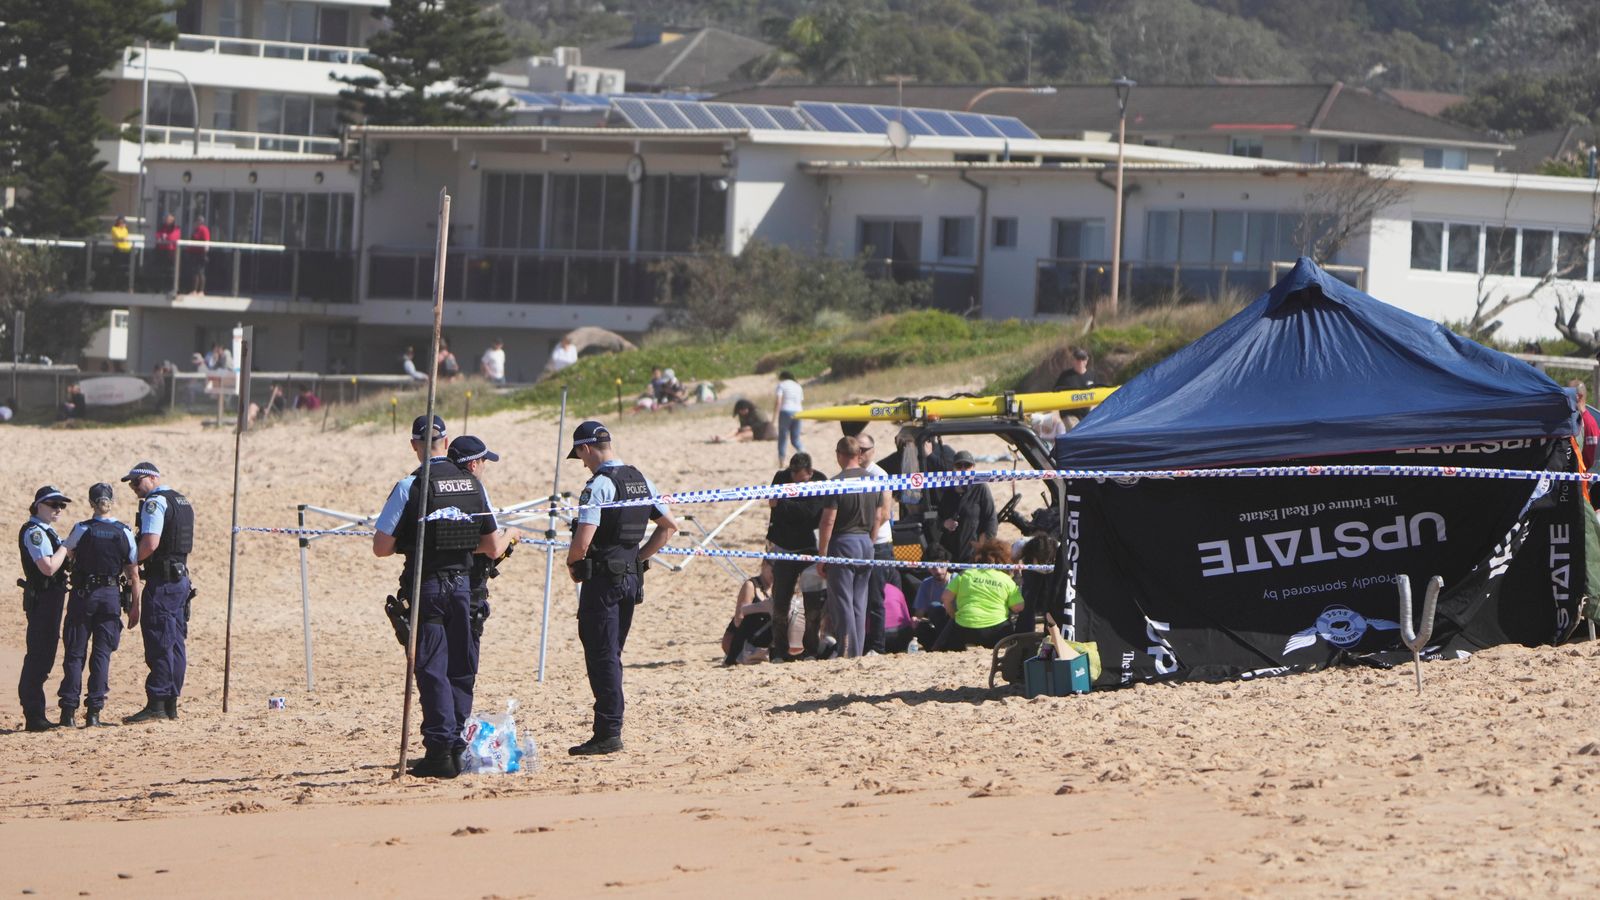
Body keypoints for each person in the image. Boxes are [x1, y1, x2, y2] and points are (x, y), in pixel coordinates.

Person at [373, 416, 506, 778]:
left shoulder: (410, 486)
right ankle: (458, 746)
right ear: (446, 443)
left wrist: (417, 542)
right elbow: (493, 547)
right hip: (463, 585)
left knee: (432, 670)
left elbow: (381, 547)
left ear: (414, 445)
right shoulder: (472, 483)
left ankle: (439, 751)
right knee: (460, 669)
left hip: (427, 584)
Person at [565, 420, 678, 755]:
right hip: (630, 579)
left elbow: (582, 540)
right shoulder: (640, 479)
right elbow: (668, 527)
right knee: (611, 653)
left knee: (601, 655)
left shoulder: (599, 485)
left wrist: (573, 565)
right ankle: (609, 727)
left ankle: (608, 731)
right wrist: (639, 558)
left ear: (586, 449)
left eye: (581, 456)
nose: (582, 463)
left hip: (603, 580)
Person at [58, 483, 140, 728]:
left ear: (91, 502)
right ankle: (94, 713)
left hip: (83, 596)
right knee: (102, 654)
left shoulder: (82, 529)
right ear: (111, 501)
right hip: (110, 597)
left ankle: (68, 713)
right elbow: (133, 574)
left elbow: (68, 554)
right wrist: (136, 606)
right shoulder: (123, 531)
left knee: (74, 654)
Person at [120, 461, 195, 724]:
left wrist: (131, 562)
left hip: (163, 582)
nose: (133, 488)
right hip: (180, 579)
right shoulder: (181, 500)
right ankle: (170, 703)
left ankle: (157, 704)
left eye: (136, 482)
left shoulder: (155, 502)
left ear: (152, 478)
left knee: (159, 640)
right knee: (175, 642)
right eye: (130, 484)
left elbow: (150, 543)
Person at [814, 435, 884, 658]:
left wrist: (822, 554)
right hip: (865, 542)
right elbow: (879, 515)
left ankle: (848, 651)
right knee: (859, 602)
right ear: (859, 454)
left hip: (844, 541)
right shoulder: (872, 480)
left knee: (842, 601)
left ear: (840, 455)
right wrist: (870, 540)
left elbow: (828, 521)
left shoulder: (837, 483)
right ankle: (858, 649)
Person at [17, 486, 72, 732]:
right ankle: (34, 714)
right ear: (38, 505)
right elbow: (47, 568)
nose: (58, 509)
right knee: (39, 654)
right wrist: (66, 547)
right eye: (53, 505)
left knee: (46, 652)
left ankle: (36, 712)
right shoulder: (35, 532)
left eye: (61, 506)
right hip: (43, 600)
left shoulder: (47, 532)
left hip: (51, 599)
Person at [766, 452, 827, 661]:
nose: (795, 482)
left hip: (810, 550)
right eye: (793, 477)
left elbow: (810, 513)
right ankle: (779, 652)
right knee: (780, 603)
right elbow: (773, 506)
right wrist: (785, 506)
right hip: (784, 549)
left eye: (800, 479)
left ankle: (811, 650)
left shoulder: (820, 480)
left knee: (812, 606)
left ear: (809, 472)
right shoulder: (781, 477)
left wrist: (783, 503)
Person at [448, 435, 507, 651]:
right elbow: (493, 548)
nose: (484, 468)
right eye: (483, 463)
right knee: (465, 649)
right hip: (470, 578)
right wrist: (511, 535)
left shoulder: (438, 485)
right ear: (474, 464)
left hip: (437, 577)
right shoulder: (476, 490)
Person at [934, 538, 1023, 651]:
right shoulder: (1006, 580)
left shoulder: (966, 574)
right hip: (996, 631)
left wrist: (954, 616)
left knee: (953, 628)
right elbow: (1018, 607)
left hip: (965, 629)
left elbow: (945, 598)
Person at [857, 431, 897, 654]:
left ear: (872, 451)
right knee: (859, 597)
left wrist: (867, 540)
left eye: (864, 449)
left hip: (878, 543)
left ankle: (877, 646)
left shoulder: (878, 475)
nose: (860, 453)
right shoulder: (853, 474)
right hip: (859, 541)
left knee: (875, 598)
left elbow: (884, 513)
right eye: (857, 449)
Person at [935, 450, 998, 562]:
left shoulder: (980, 488)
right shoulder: (946, 490)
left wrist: (983, 547)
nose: (963, 469)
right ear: (953, 469)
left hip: (974, 554)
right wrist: (944, 523)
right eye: (959, 466)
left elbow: (991, 520)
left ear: (973, 468)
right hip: (950, 553)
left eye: (967, 465)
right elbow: (937, 518)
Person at [721, 563, 774, 666]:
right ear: (763, 565)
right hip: (741, 640)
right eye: (772, 569)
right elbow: (739, 620)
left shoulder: (780, 586)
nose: (775, 573)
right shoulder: (750, 585)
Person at [908, 544, 953, 649]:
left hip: (953, 625)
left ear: (948, 563)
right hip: (935, 625)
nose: (937, 571)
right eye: (932, 567)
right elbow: (919, 614)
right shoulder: (926, 584)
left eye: (941, 566)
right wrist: (916, 620)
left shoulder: (957, 580)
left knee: (935, 606)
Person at [773, 370, 804, 464]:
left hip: (786, 411)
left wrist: (774, 418)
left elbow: (778, 401)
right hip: (798, 412)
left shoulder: (781, 384)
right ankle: (804, 454)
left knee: (783, 437)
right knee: (795, 439)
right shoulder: (798, 386)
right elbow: (800, 400)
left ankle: (781, 461)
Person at [712, 399, 777, 443]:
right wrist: (744, 428)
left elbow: (765, 424)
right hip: (750, 430)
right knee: (735, 430)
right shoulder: (742, 415)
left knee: (741, 435)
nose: (741, 413)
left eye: (743, 410)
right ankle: (723, 437)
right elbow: (743, 426)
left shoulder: (757, 412)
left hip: (761, 433)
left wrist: (751, 427)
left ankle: (727, 441)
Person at [1571, 380, 1597, 471]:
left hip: (1579, 478)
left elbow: (1589, 459)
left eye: (1569, 394)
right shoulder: (1574, 418)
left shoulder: (1588, 422)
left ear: (1578, 397)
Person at [186, 216, 210, 294]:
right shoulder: (195, 230)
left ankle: (201, 291)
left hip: (200, 254)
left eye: (197, 222)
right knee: (195, 272)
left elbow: (206, 241)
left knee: (200, 272)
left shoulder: (203, 229)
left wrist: (205, 253)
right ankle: (194, 290)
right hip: (194, 254)